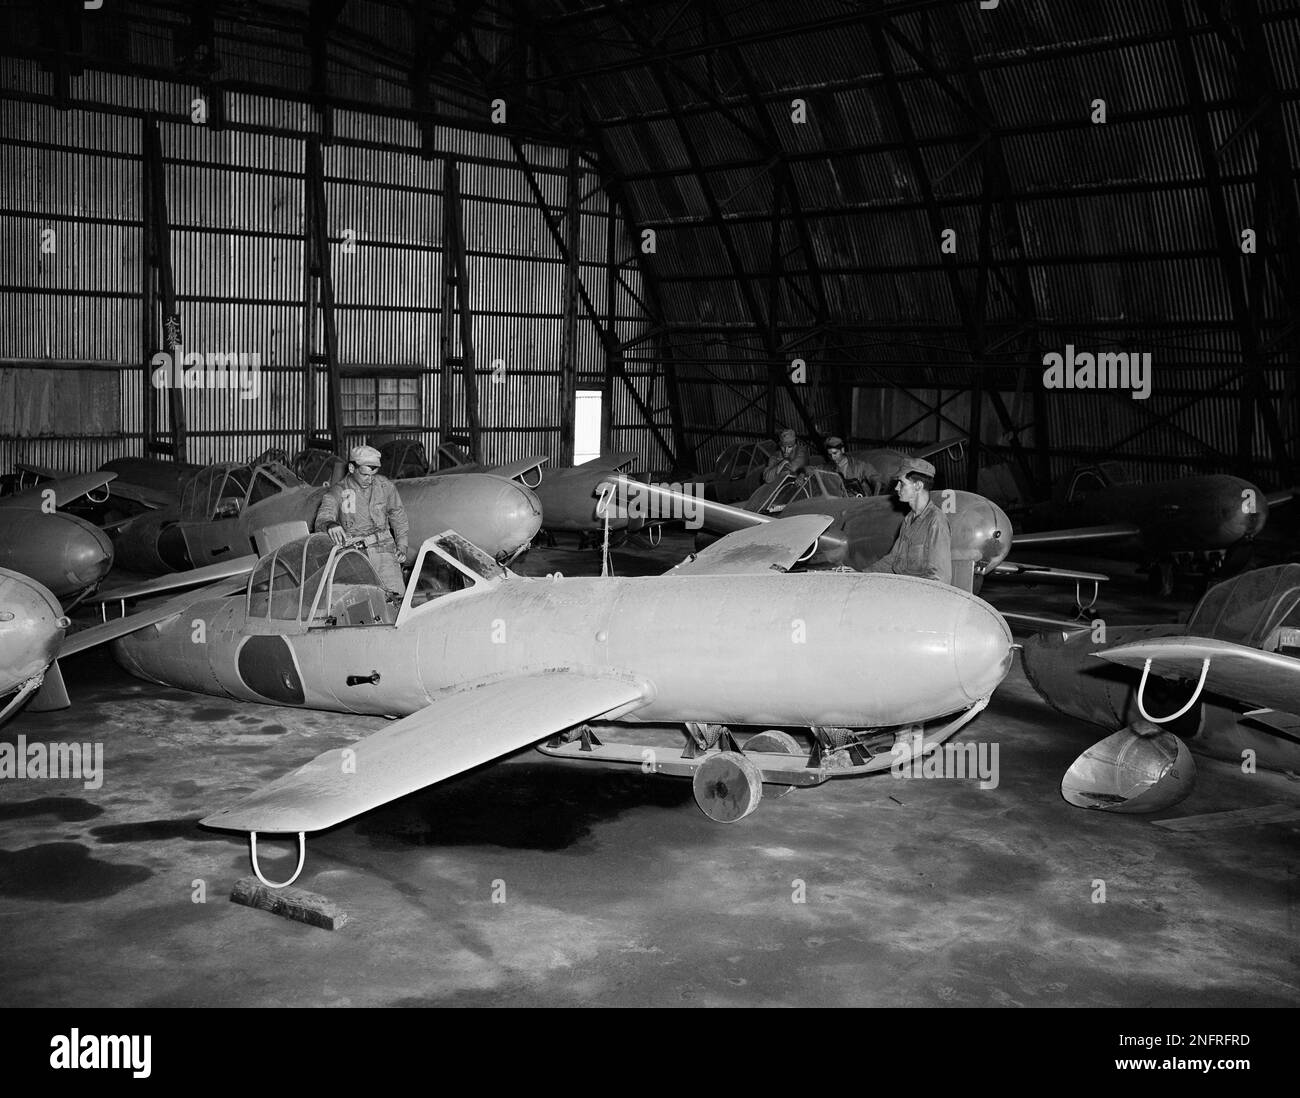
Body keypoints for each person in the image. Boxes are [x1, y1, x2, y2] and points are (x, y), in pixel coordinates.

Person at [314, 444, 410, 597]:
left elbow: (398, 515)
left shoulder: (385, 486)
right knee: (360, 604)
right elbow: (323, 517)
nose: (370, 479)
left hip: (384, 550)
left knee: (397, 599)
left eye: (373, 474)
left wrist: (402, 545)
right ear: (352, 468)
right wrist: (330, 524)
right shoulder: (338, 491)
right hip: (355, 555)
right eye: (365, 474)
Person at [867, 457, 953, 585]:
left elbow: (940, 578)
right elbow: (892, 561)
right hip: (905, 590)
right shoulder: (909, 519)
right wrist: (861, 575)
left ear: (918, 486)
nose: (896, 488)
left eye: (901, 483)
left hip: (919, 596)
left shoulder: (936, 521)